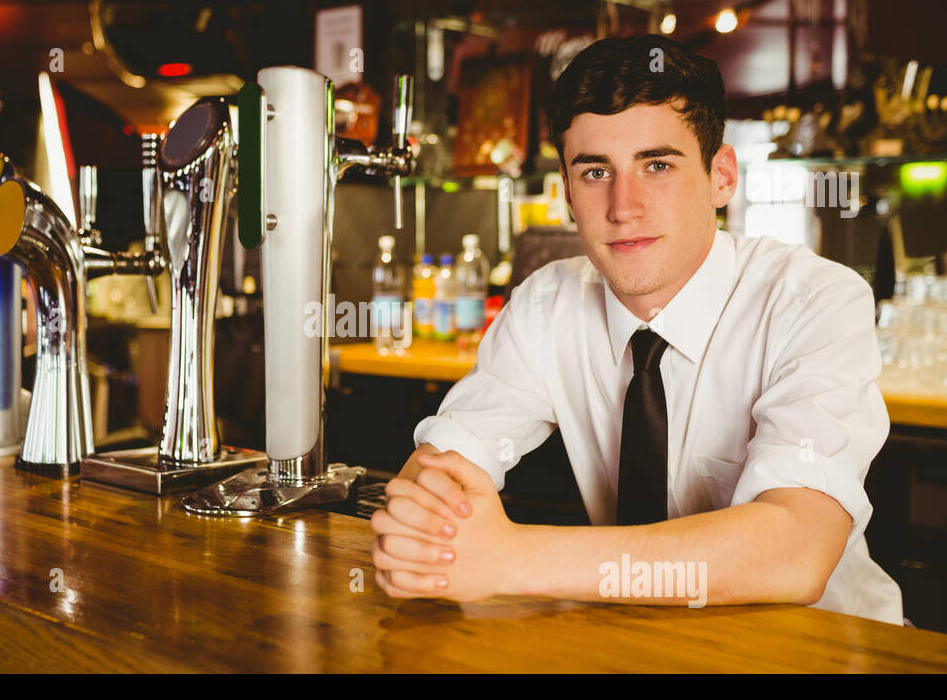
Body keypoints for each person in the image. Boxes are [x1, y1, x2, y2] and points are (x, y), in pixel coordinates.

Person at [369, 34, 903, 625]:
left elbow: (795, 552)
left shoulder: (814, 300)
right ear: (567, 193)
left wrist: (509, 558)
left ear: (721, 175)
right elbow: (445, 463)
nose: (624, 206)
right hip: (640, 641)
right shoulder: (547, 303)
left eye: (657, 165)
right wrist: (425, 520)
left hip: (826, 651)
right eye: (595, 172)